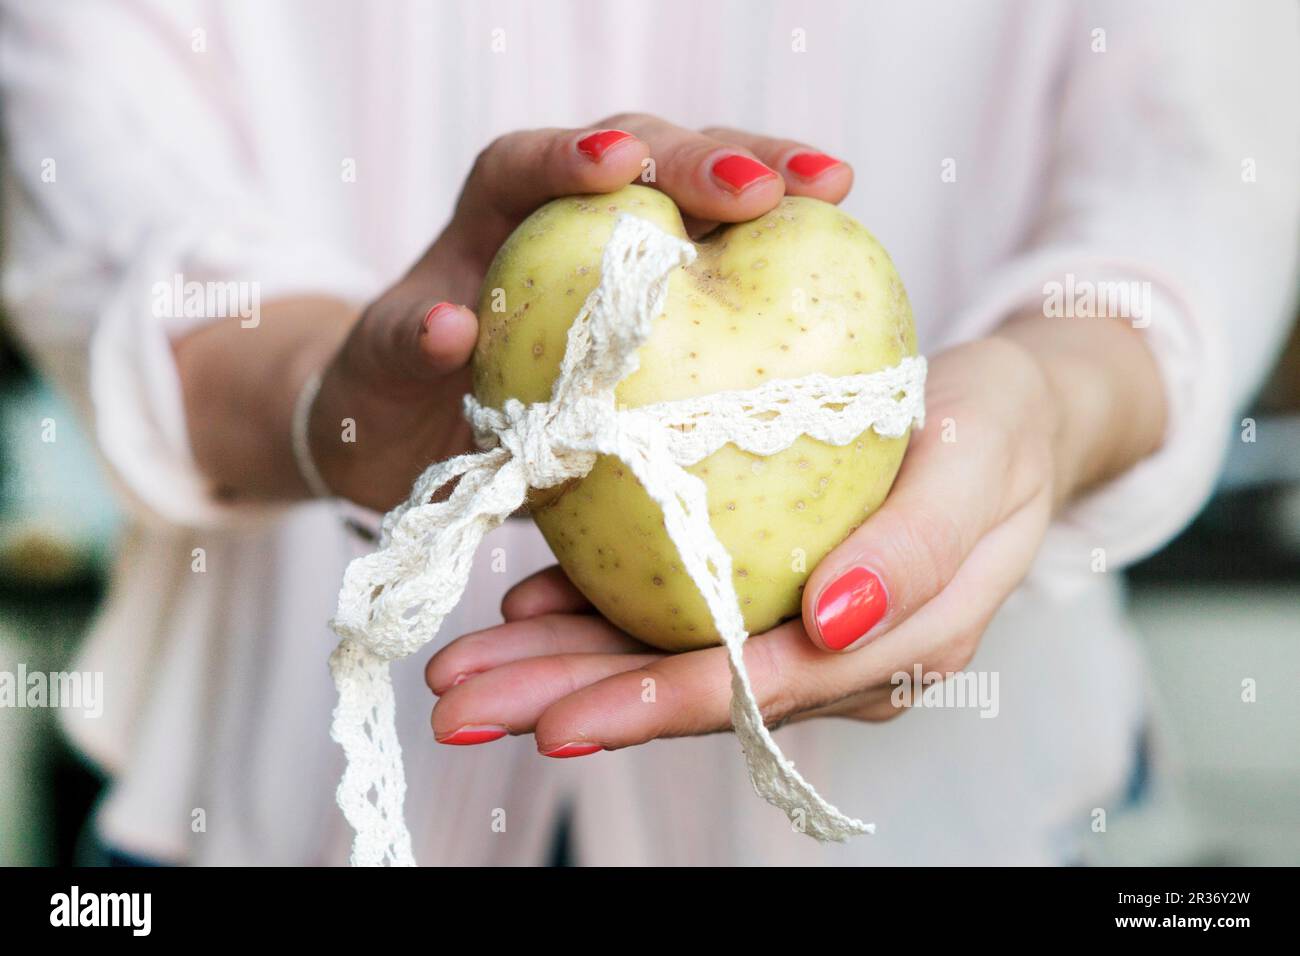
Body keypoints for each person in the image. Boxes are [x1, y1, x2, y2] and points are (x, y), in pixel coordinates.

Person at [2, 0, 1296, 865]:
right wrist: (332, 398)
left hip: (973, 824)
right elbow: (108, 219)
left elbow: (1201, 177)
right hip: (279, 813)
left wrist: (1054, 399)